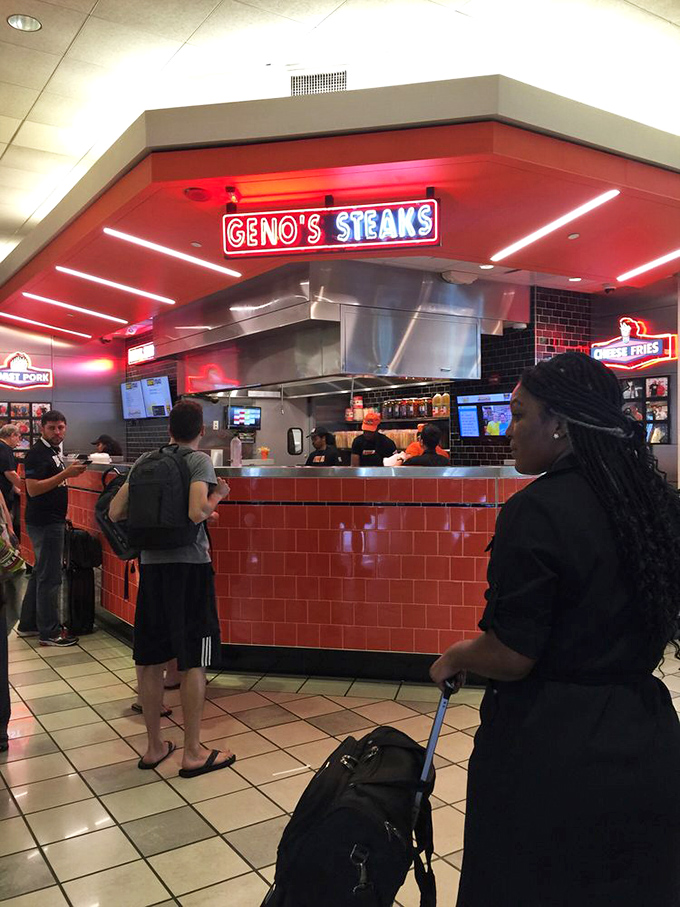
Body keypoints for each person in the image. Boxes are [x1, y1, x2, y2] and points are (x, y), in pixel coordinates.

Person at [431, 351, 680, 907]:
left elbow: (513, 654)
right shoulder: (657, 503)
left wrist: (458, 655)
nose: (508, 431)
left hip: (551, 748)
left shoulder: (536, 511)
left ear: (560, 423)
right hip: (645, 736)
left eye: (519, 415)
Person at [109, 400, 236, 776]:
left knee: (149, 659)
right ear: (201, 431)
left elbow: (115, 512)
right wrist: (218, 495)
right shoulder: (199, 461)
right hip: (190, 569)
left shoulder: (145, 460)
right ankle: (192, 752)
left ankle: (153, 748)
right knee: (194, 658)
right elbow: (197, 512)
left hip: (152, 569)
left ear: (168, 429)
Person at [16, 410, 86, 646]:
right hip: (45, 522)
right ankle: (50, 632)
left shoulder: (53, 452)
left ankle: (28, 624)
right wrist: (66, 473)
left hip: (50, 520)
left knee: (40, 573)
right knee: (50, 577)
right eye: (52, 428)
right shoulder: (37, 454)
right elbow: (33, 489)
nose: (57, 432)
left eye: (61, 427)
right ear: (42, 428)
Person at [0, 424, 23, 539]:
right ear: (12, 435)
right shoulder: (4, 448)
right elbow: (9, 473)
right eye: (19, 437)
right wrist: (26, 488)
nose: (19, 442)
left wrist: (16, 489)